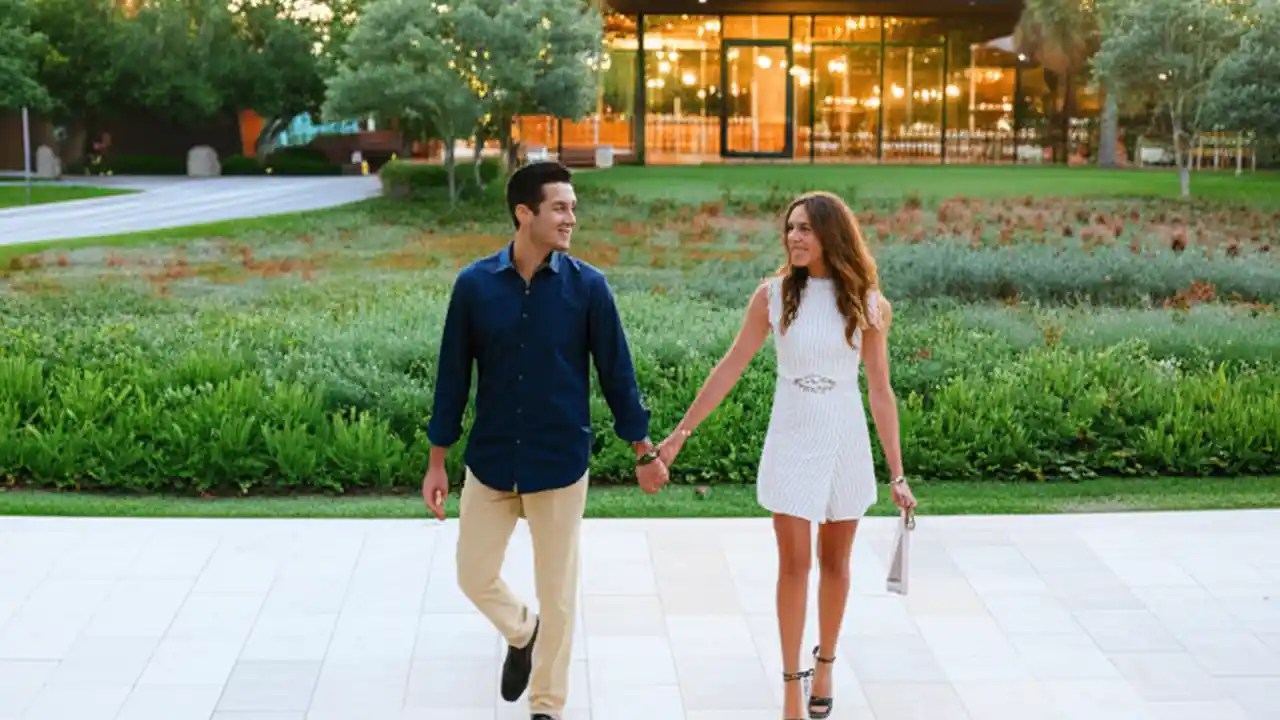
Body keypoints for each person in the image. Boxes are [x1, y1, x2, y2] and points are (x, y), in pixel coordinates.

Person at [422, 161, 669, 720]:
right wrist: (437, 461)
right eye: (559, 208)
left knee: (557, 593)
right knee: (472, 574)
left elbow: (617, 374)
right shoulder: (474, 287)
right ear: (524, 213)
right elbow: (452, 377)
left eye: (573, 208)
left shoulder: (589, 288)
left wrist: (643, 450)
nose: (571, 218)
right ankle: (522, 632)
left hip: (558, 463)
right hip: (491, 461)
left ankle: (547, 704)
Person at [658, 191, 916, 720]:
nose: (794, 237)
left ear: (831, 235)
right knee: (794, 565)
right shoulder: (772, 297)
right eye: (791, 228)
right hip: (793, 436)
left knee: (836, 563)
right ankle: (791, 685)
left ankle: (826, 664)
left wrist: (897, 473)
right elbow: (731, 366)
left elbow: (880, 390)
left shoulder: (868, 303)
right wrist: (681, 432)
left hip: (844, 438)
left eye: (805, 229)